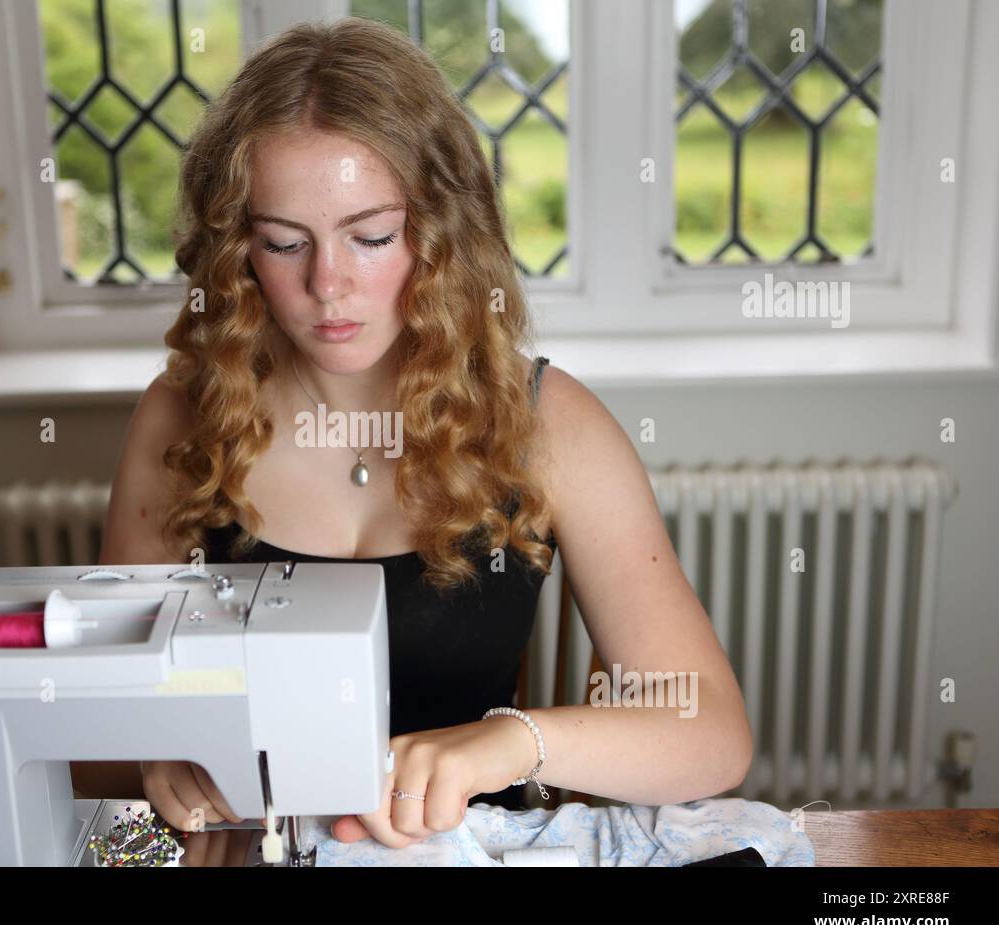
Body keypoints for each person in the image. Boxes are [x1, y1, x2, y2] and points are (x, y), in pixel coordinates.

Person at [80, 17, 751, 851]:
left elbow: (711, 732)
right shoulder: (180, 419)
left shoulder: (549, 424)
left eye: (371, 237)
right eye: (284, 243)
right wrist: (153, 754)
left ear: (442, 234)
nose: (329, 284)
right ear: (237, 252)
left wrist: (513, 741)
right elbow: (88, 730)